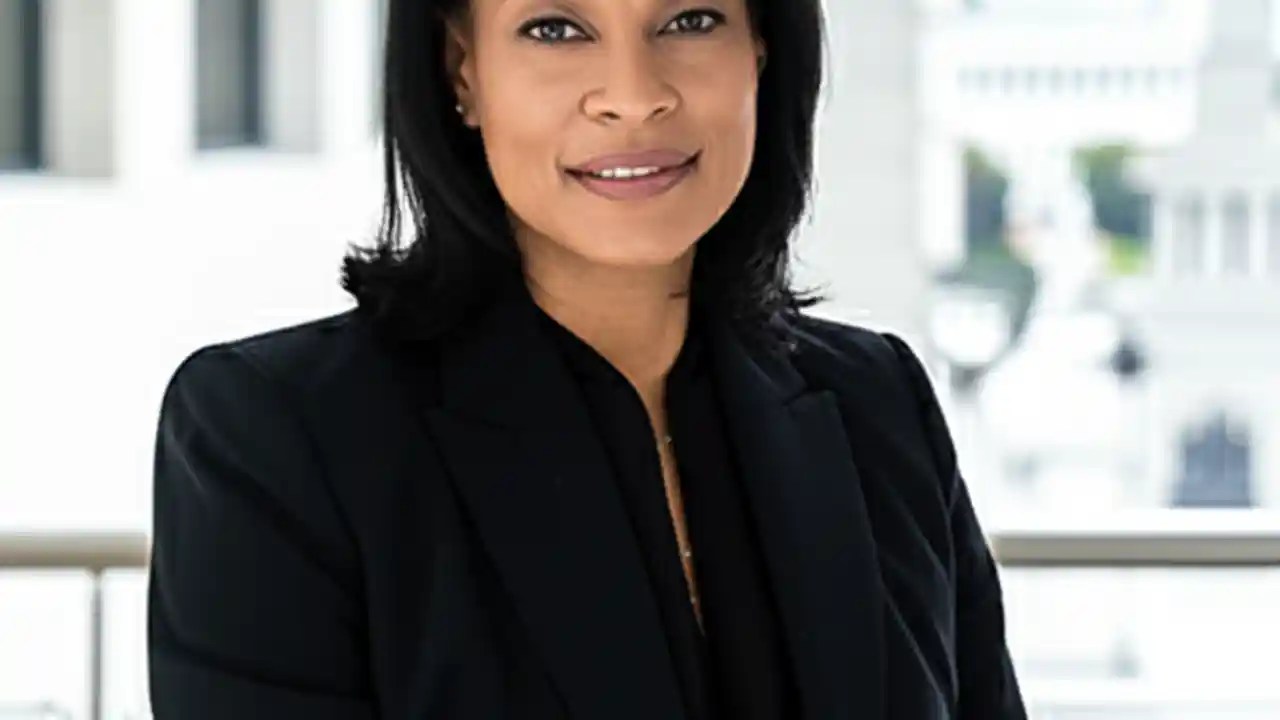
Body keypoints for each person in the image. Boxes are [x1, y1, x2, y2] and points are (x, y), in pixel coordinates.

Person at [146, 0, 1028, 717]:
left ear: (760, 47)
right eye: (556, 30)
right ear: (464, 72)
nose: (633, 94)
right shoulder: (275, 432)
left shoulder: (880, 401)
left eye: (688, 21)